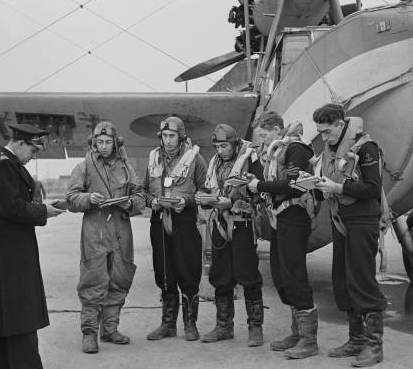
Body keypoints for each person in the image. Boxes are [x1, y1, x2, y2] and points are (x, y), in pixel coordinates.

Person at [0, 123, 64, 369]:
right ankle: (27, 367)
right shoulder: (4, 165)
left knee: (4, 302)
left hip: (3, 242)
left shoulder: (5, 163)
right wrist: (44, 212)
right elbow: (11, 208)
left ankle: (3, 363)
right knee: (21, 303)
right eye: (33, 149)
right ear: (20, 143)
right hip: (9, 245)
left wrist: (42, 207)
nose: (34, 155)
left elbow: (12, 204)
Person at [313, 103, 387, 367]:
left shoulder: (366, 148)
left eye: (327, 132)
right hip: (341, 220)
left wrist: (337, 186)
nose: (323, 138)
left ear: (341, 124)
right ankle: (356, 338)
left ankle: (374, 345)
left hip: (362, 221)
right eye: (320, 132)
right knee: (342, 280)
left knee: (362, 281)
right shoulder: (330, 150)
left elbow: (372, 189)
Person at [66, 121, 145, 354]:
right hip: (95, 232)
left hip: (121, 232)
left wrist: (130, 203)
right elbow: (71, 198)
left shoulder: (125, 167)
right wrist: (88, 198)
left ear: (115, 143)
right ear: (93, 143)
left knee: (119, 280)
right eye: (99, 142)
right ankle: (89, 333)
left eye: (108, 142)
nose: (103, 146)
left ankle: (110, 329)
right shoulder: (83, 168)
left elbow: (140, 195)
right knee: (93, 282)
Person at [247, 111, 319, 359]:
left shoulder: (297, 149)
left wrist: (258, 186)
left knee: (295, 274)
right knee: (281, 275)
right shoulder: (278, 150)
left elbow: (292, 184)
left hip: (295, 217)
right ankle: (297, 332)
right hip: (280, 218)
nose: (263, 141)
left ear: (277, 129)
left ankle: (309, 340)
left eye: (265, 136)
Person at [197, 124, 265, 347]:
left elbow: (261, 193)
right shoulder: (215, 162)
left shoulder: (251, 160)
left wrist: (235, 201)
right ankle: (224, 326)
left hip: (242, 224)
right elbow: (210, 188)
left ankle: (255, 328)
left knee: (248, 274)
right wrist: (206, 199)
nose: (220, 150)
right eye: (217, 146)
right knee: (220, 275)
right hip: (218, 222)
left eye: (224, 145)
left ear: (236, 144)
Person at [143, 116, 208, 341]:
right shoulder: (153, 158)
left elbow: (205, 191)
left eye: (172, 136)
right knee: (164, 272)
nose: (168, 140)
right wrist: (151, 201)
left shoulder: (195, 159)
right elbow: (144, 190)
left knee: (188, 271)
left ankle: (190, 324)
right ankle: (168, 324)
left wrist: (186, 201)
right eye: (164, 136)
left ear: (181, 136)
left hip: (184, 220)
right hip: (159, 220)